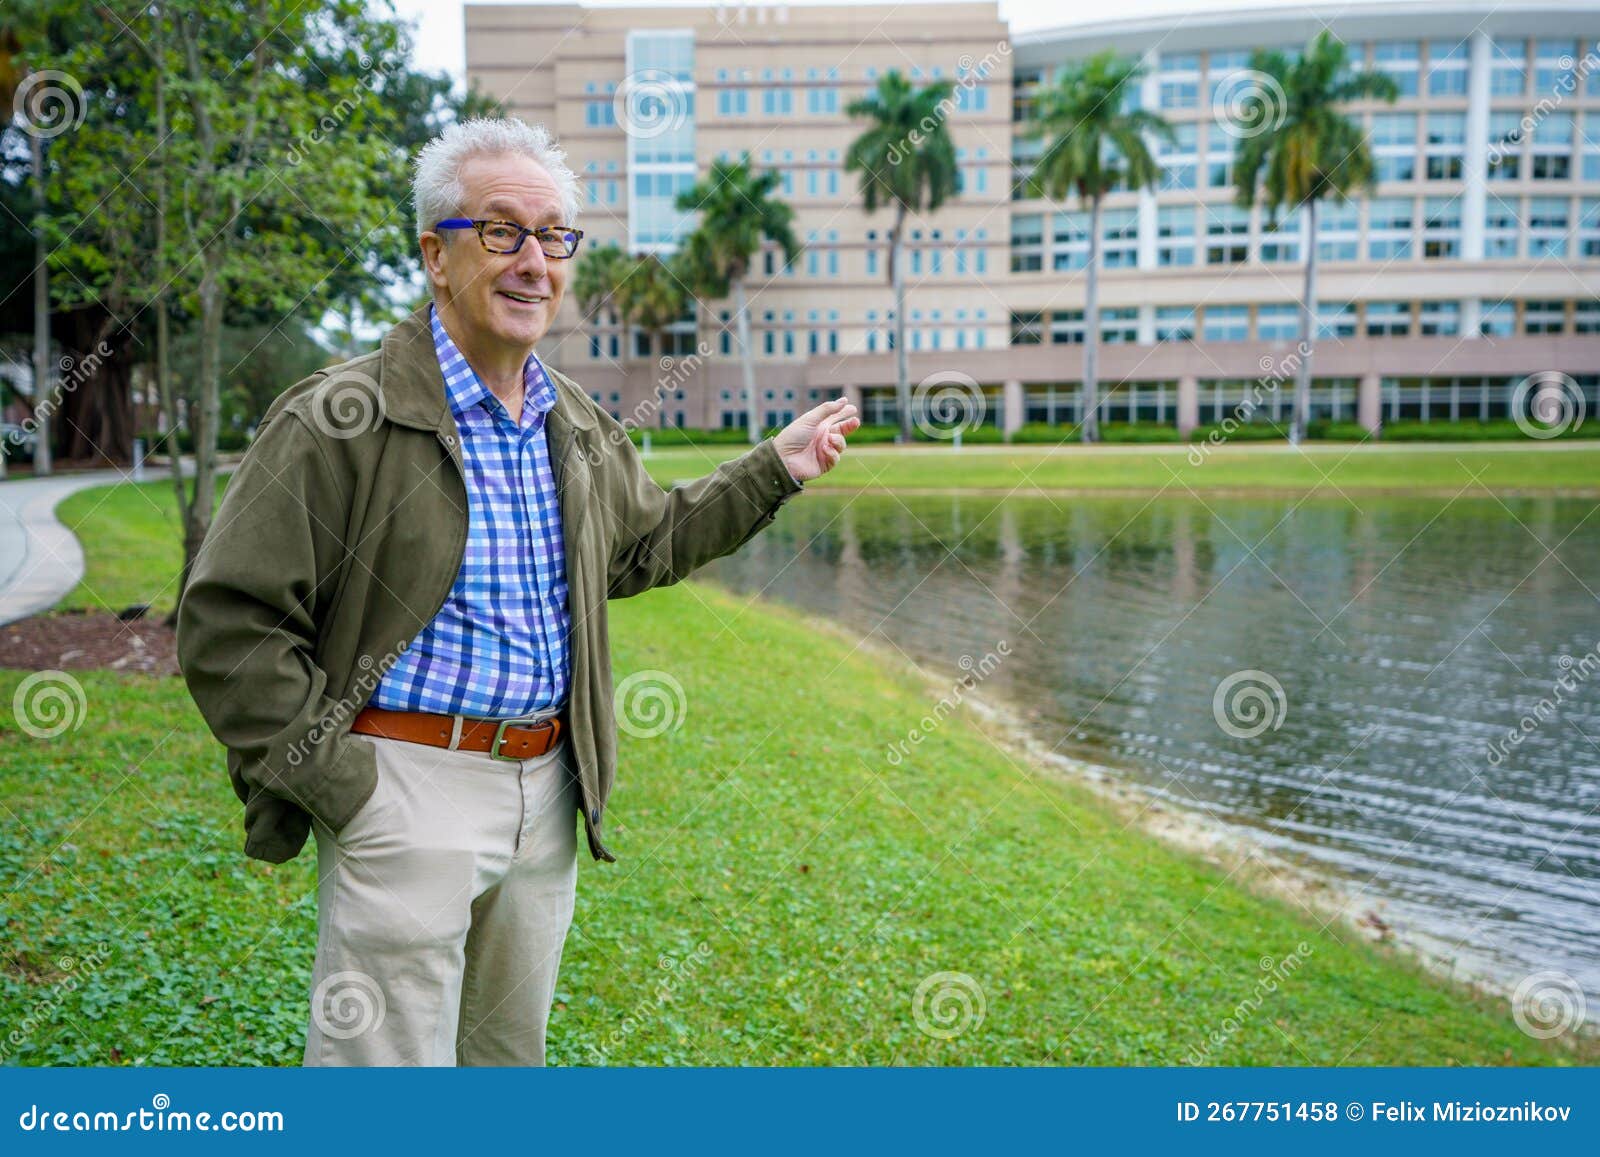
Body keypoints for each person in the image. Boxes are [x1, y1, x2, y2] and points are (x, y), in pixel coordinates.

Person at [175, 117, 860, 1066]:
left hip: (546, 796)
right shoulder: (342, 416)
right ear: (435, 254)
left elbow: (643, 543)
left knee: (506, 1073)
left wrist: (771, 467)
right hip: (403, 788)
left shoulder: (569, 420)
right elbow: (229, 622)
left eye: (553, 236)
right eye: (501, 231)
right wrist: (347, 787)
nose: (533, 260)